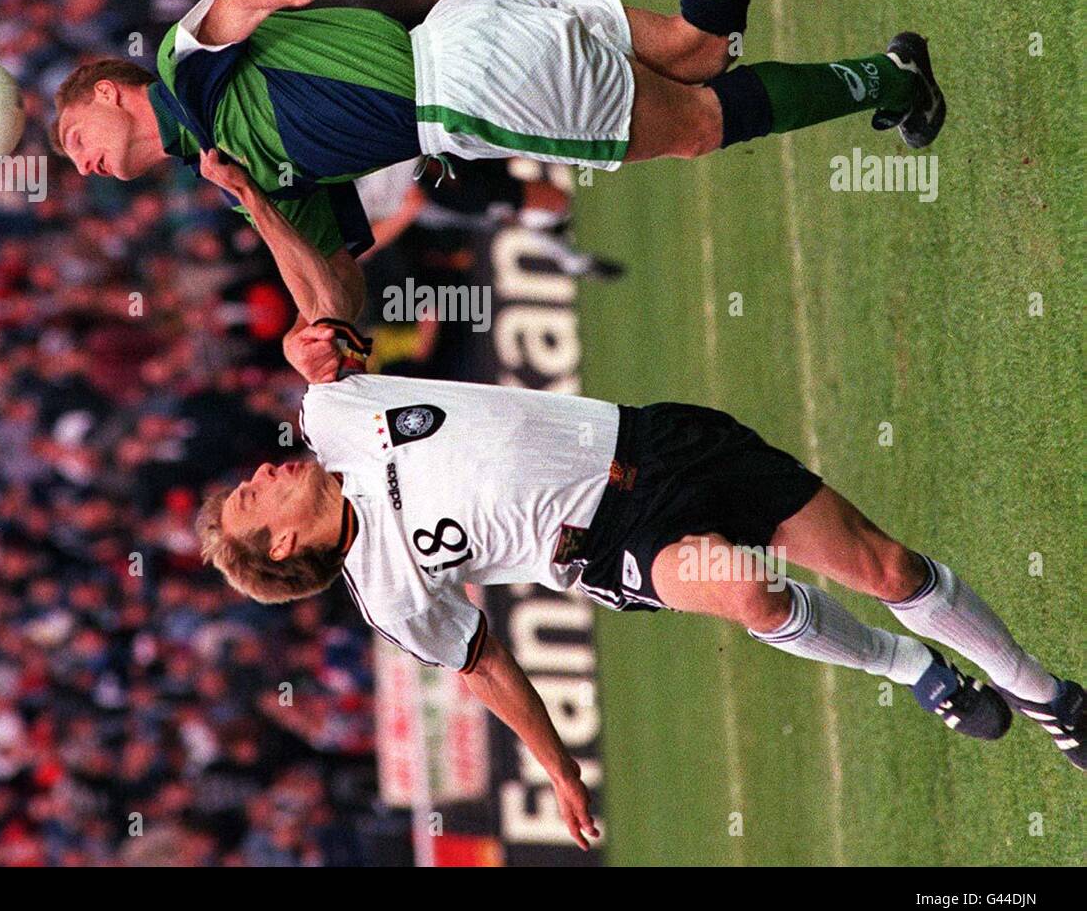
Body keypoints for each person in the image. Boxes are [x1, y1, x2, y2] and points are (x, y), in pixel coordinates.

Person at [190, 163, 1084, 851]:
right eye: (249, 498)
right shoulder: (387, 593)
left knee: (886, 566)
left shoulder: (329, 415)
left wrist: (262, 219)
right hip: (615, 540)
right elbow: (484, 663)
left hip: (654, 442)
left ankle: (1041, 692)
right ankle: (909, 669)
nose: (260, 475)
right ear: (280, 541)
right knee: (752, 593)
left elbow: (328, 298)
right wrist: (559, 767)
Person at [50, 0, 943, 347]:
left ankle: (883, 62)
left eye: (75, 134)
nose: (80, 160)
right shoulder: (230, 170)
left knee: (700, 127)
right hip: (462, 27)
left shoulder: (178, 76)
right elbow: (339, 294)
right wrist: (258, 211)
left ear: (112, 91)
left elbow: (224, 16)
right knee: (695, 47)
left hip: (462, 92)